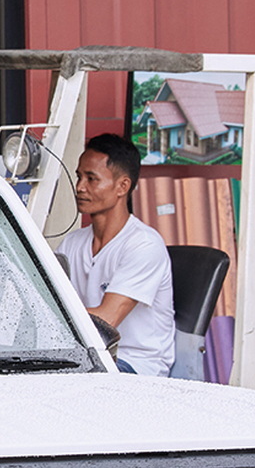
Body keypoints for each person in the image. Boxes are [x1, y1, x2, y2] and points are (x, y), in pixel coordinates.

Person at [60, 132, 175, 376]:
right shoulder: (72, 243)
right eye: (79, 176)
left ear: (123, 186)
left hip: (136, 363)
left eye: (92, 179)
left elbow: (105, 321)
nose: (80, 187)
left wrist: (46, 311)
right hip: (88, 358)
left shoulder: (144, 244)